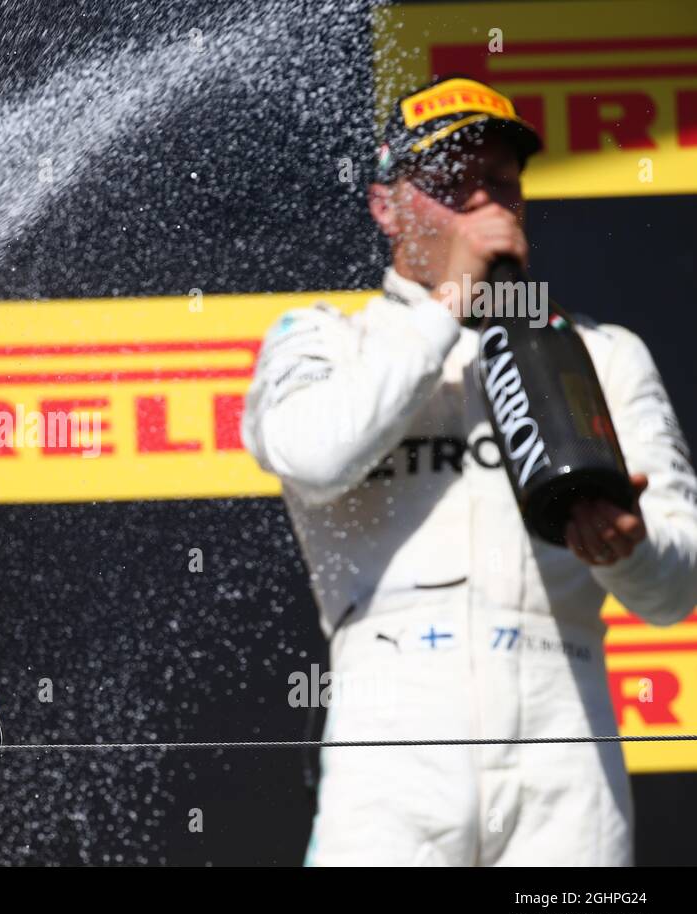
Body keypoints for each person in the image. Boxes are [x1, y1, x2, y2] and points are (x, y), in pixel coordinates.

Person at [241, 76, 697, 866]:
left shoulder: (607, 353)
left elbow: (678, 592)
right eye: (455, 186)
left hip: (567, 735)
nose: (487, 207)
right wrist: (447, 306)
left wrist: (631, 551)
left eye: (503, 185)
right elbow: (313, 455)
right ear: (386, 207)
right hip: (393, 741)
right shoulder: (320, 340)